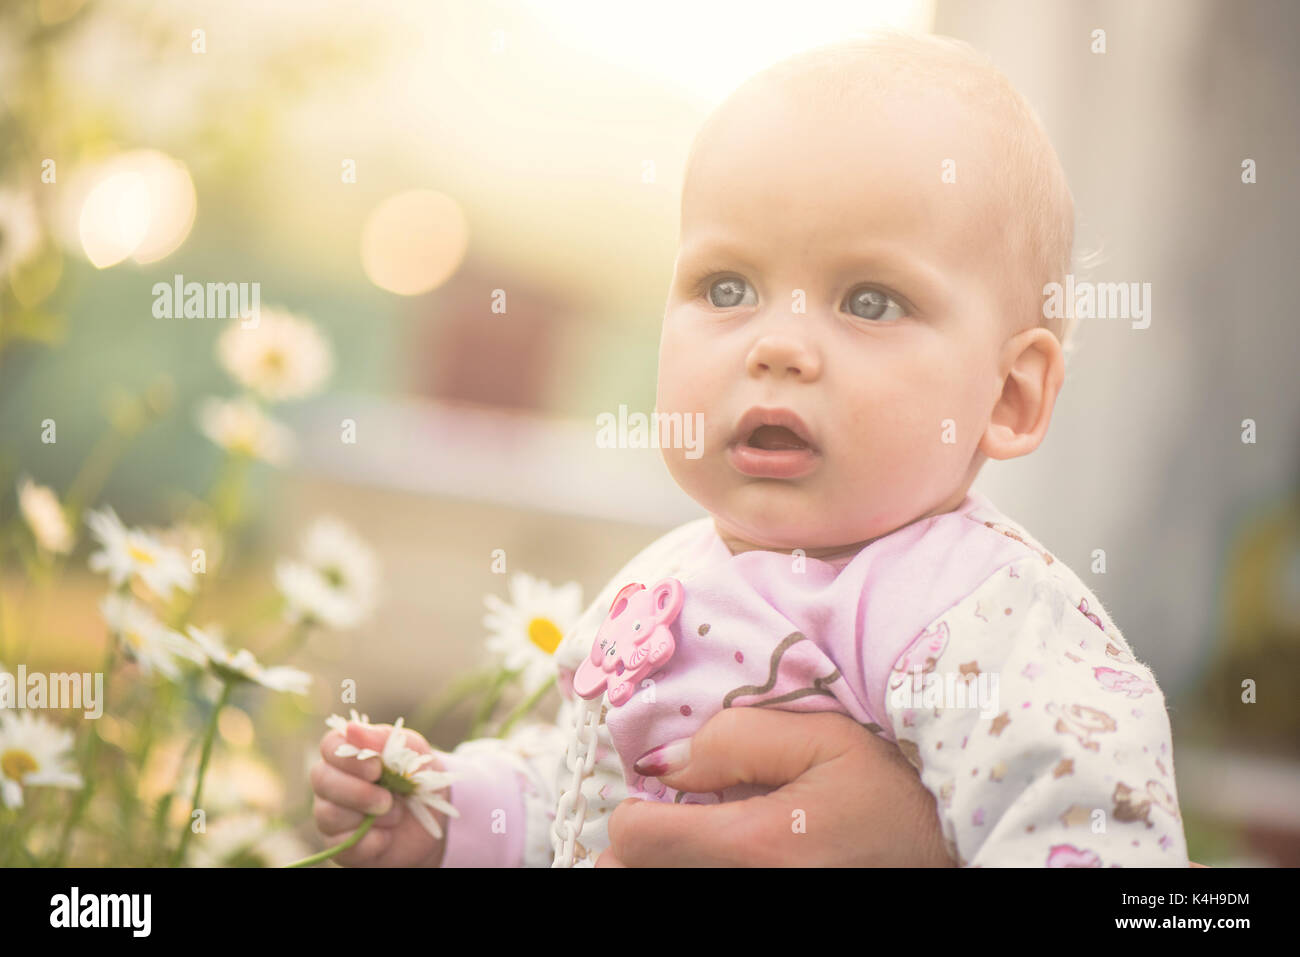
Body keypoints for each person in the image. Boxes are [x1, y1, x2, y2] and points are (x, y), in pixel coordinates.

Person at [311, 29, 1190, 867]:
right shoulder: (678, 568)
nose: (778, 346)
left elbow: (1088, 820)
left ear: (1008, 395)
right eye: (726, 286)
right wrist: (453, 811)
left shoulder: (974, 611)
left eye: (870, 301)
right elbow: (591, 785)